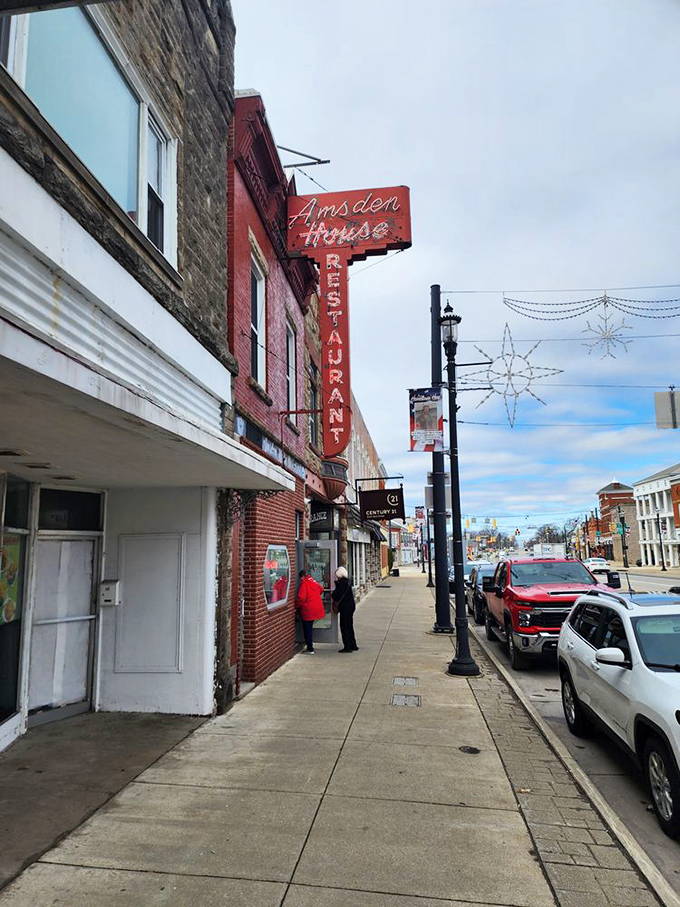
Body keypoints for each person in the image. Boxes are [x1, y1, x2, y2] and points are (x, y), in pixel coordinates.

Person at [295, 569, 325, 653]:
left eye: (300, 578)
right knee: (309, 627)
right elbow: (321, 589)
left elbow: (301, 598)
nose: (300, 580)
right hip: (316, 608)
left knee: (307, 628)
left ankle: (310, 648)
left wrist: (295, 606)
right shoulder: (314, 581)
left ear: (302, 577)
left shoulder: (304, 584)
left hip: (308, 610)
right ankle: (309, 645)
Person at [331, 566, 358, 653]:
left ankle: (347, 646)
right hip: (350, 606)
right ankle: (353, 644)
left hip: (345, 608)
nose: (337, 577)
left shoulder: (342, 583)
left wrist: (334, 589)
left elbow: (336, 595)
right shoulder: (348, 582)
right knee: (349, 626)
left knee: (344, 626)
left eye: (337, 576)